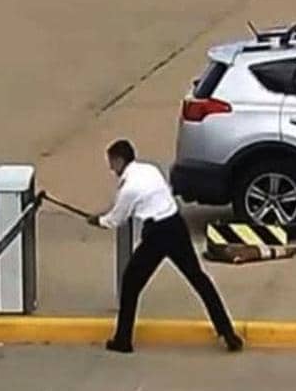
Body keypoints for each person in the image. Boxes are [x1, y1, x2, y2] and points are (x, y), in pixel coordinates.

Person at [87, 139, 243, 354]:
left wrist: (97, 220)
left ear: (120, 160)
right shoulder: (150, 170)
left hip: (156, 234)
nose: (110, 167)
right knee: (198, 278)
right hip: (176, 225)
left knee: (131, 283)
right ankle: (227, 332)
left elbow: (115, 220)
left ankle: (123, 340)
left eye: (111, 162)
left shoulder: (129, 188)